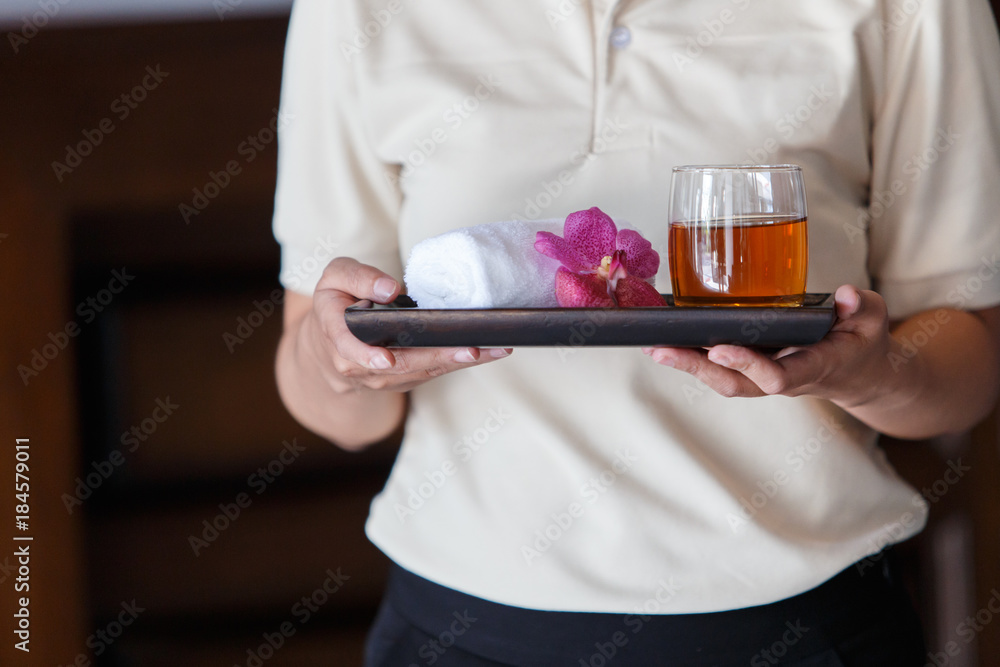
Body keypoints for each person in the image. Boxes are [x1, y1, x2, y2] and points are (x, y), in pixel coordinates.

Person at [272, 0, 1000, 664]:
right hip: (463, 625)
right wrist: (336, 358)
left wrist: (871, 372)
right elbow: (332, 394)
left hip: (799, 625)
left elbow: (971, 360)